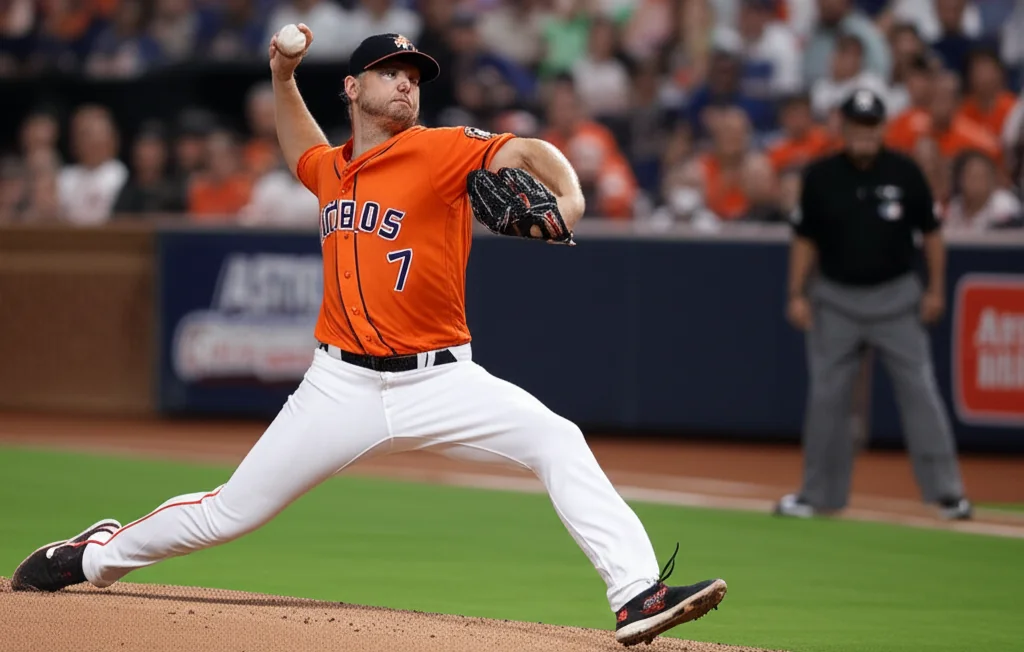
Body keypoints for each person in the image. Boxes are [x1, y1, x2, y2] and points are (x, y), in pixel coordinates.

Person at [9, 29, 728, 648]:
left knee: (556, 439)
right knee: (231, 513)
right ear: (353, 87)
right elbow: (301, 146)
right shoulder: (332, 169)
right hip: (338, 386)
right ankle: (95, 557)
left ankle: (636, 594)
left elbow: (536, 152)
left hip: (442, 380)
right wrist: (283, 75)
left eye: (414, 77)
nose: (407, 85)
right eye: (392, 73)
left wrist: (568, 201)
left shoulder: (443, 151)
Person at [776, 88, 973, 521]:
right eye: (856, 126)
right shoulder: (822, 175)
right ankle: (818, 495)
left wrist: (936, 289)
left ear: (882, 128)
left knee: (920, 390)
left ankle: (947, 493)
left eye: (871, 126)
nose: (864, 134)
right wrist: (796, 293)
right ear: (843, 128)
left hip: (896, 297)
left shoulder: (905, 172)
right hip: (836, 299)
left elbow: (932, 234)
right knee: (828, 398)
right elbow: (804, 238)